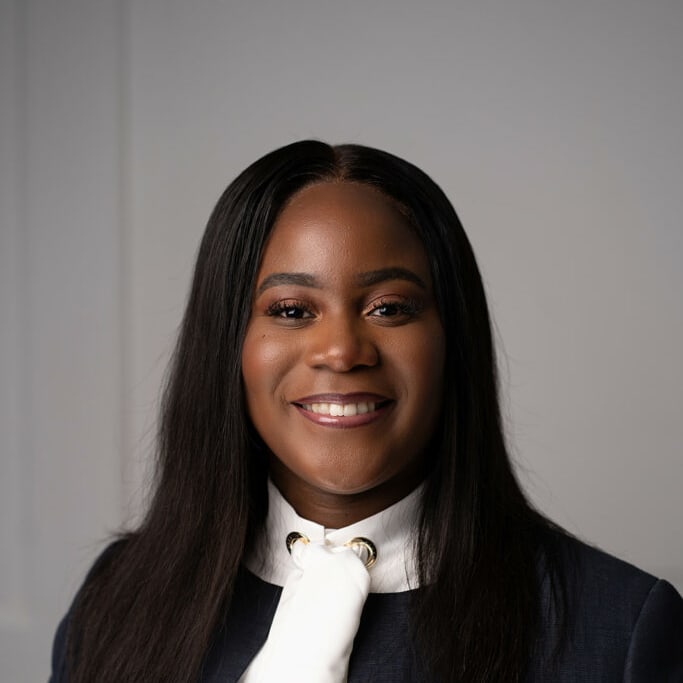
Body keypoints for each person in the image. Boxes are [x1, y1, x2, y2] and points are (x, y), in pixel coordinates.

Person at [50, 141, 683, 682]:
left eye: (389, 308)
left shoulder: (621, 628)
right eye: (291, 310)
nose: (342, 351)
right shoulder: (117, 603)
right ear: (227, 343)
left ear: (452, 338)